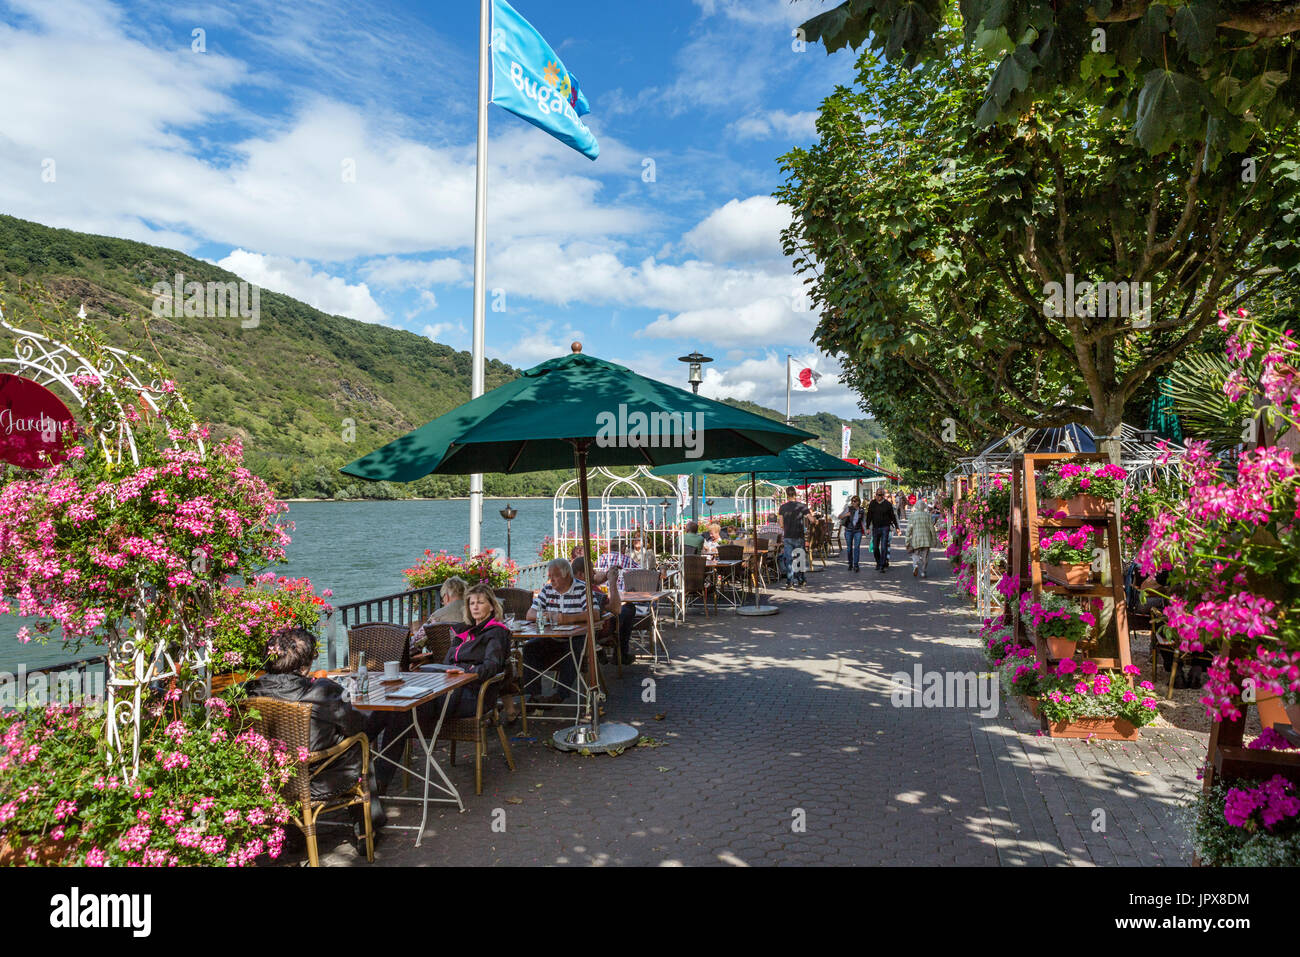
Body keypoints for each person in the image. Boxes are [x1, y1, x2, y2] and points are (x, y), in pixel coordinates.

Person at [242, 627, 385, 834]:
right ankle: (367, 827)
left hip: (272, 779)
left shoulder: (251, 690)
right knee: (359, 743)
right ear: (305, 663)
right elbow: (355, 725)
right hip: (318, 780)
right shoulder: (321, 690)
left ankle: (293, 837)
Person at [523, 558, 592, 704]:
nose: (551, 579)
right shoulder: (547, 590)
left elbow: (594, 614)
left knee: (572, 649)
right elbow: (530, 614)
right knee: (529, 647)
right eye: (550, 576)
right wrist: (547, 617)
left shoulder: (582, 588)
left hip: (575, 638)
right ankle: (533, 696)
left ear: (567, 575)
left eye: (555, 576)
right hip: (552, 637)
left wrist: (564, 618)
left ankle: (560, 695)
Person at [573, 554, 637, 665]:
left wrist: (608, 574)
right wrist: (612, 582)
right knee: (628, 609)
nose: (594, 573)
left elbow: (596, 578)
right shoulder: (589, 589)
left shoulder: (571, 584)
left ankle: (617, 654)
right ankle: (621, 654)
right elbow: (616, 609)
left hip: (578, 629)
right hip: (599, 628)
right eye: (591, 570)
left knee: (625, 609)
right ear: (581, 574)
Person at [778, 487, 810, 588]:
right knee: (799, 558)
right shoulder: (802, 506)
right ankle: (801, 580)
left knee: (789, 559)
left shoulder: (782, 507)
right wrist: (815, 521)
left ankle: (790, 582)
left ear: (787, 495)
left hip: (787, 536)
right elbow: (811, 519)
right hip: (799, 536)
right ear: (795, 494)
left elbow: (781, 524)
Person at [866, 488, 900, 572]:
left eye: (880, 495)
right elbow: (869, 516)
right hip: (875, 527)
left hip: (885, 527)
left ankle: (882, 565)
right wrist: (867, 527)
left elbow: (893, 517)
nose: (878, 496)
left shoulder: (887, 504)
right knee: (875, 547)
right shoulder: (872, 503)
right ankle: (878, 562)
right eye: (877, 494)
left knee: (884, 546)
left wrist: (897, 527)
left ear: (883, 495)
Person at [905, 498, 939, 577]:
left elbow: (909, 529)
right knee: (925, 556)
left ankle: (915, 565)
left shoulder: (912, 516)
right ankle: (923, 571)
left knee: (916, 553)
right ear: (924, 506)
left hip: (916, 539)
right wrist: (934, 540)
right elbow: (932, 529)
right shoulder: (928, 515)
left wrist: (907, 540)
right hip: (926, 539)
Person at [838, 495, 867, 573]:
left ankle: (856, 565)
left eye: (855, 501)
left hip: (858, 530)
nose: (853, 502)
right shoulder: (848, 508)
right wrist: (846, 515)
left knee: (857, 548)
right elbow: (839, 516)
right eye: (852, 501)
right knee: (849, 548)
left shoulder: (861, 510)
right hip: (849, 530)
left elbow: (863, 521)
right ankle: (850, 563)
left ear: (858, 502)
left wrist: (866, 529)